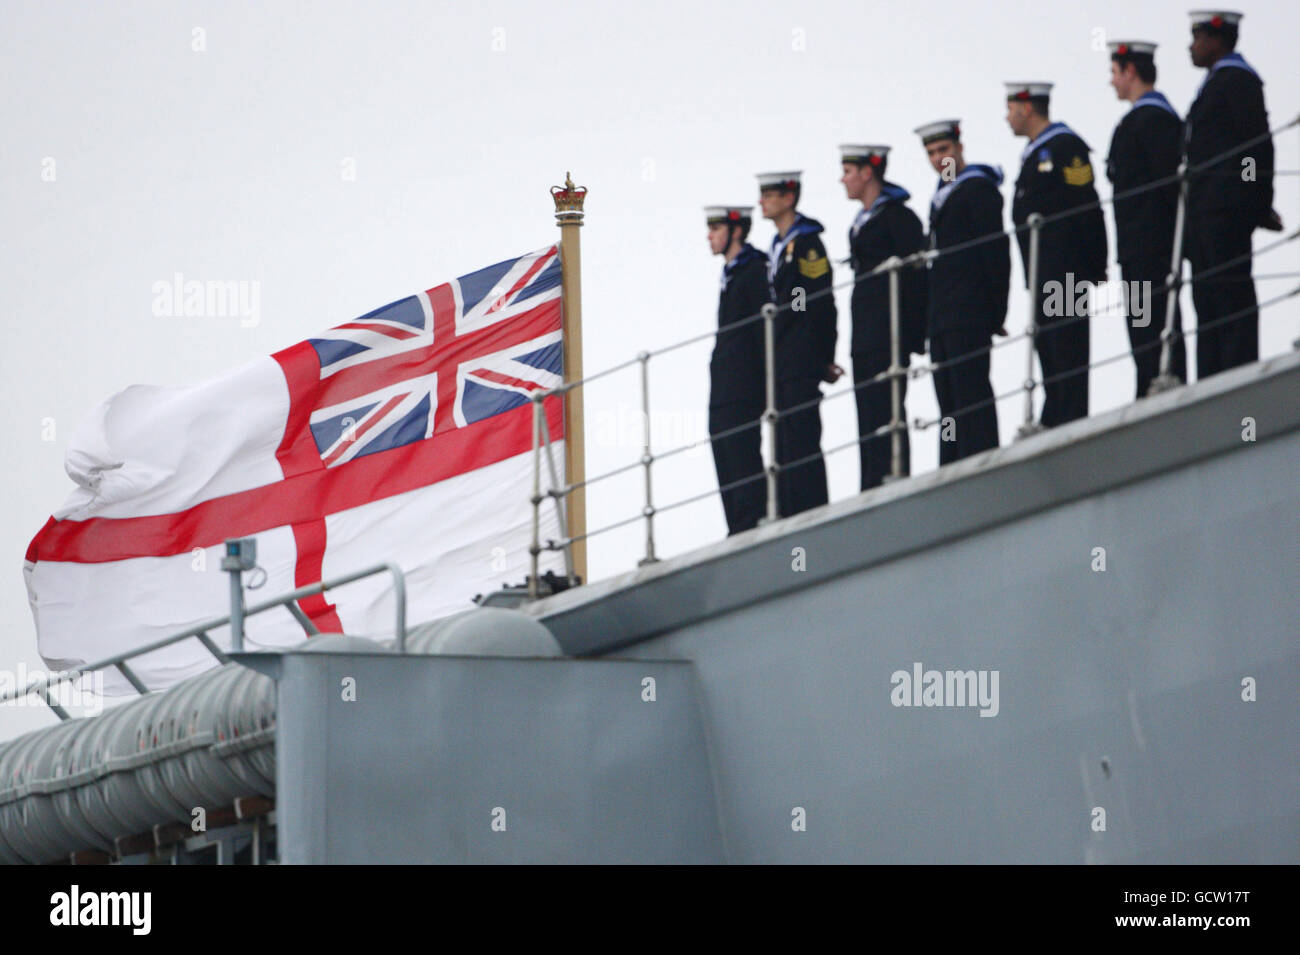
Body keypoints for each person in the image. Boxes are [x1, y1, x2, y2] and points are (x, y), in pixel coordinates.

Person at [1185, 10, 1281, 379]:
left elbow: (1254, 145)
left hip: (1225, 209)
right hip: (1204, 210)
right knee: (1206, 297)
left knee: (1230, 292)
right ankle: (1211, 375)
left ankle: (1236, 372)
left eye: (1197, 39)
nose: (1191, 47)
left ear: (1216, 40)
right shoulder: (1214, 83)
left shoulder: (1237, 80)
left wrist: (1252, 198)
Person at [1007, 82, 1108, 427]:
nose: (1007, 118)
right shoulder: (1034, 154)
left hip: (1065, 268)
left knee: (1067, 345)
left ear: (1026, 108)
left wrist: (1096, 263)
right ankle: (1055, 414)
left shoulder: (1066, 146)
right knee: (1047, 345)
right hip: (1041, 272)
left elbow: (1086, 203)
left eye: (1010, 109)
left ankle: (1071, 416)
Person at [914, 119, 1008, 462]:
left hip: (969, 310)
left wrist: (997, 312)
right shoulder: (942, 195)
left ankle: (980, 455)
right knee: (947, 400)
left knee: (971, 391)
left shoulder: (977, 189)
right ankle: (951, 456)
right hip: (942, 315)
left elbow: (995, 253)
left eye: (944, 150)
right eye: (931, 153)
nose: (939, 159)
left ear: (959, 148)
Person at [839, 144, 927, 489]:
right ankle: (870, 479)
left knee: (889, 405)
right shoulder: (861, 222)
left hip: (890, 328)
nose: (842, 179)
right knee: (867, 407)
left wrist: (915, 334)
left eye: (848, 171)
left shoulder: (898, 217)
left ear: (867, 173)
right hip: (865, 331)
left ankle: (894, 470)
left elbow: (917, 275)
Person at [757, 171, 840, 517]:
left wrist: (823, 358)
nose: (762, 201)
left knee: (802, 437)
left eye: (770, 194)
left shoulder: (806, 243)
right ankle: (789, 509)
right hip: (781, 359)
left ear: (789, 198)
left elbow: (817, 301)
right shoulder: (778, 247)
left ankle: (810, 510)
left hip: (800, 357)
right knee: (784, 439)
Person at [1106, 41, 1187, 397]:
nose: (1111, 82)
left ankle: (1164, 379)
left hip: (1152, 243)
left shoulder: (1155, 119)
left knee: (1155, 319)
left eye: (1114, 73)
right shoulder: (1138, 120)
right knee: (1141, 324)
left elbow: (1169, 182)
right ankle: (1149, 381)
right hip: (1135, 245)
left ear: (1131, 72)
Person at [705, 205, 769, 535]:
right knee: (724, 452)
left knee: (743, 456)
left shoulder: (754, 270)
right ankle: (737, 525)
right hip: (725, 386)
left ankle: (751, 522)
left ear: (736, 231)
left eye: (716, 229)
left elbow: (762, 332)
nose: (709, 236)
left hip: (744, 385)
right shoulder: (731, 273)